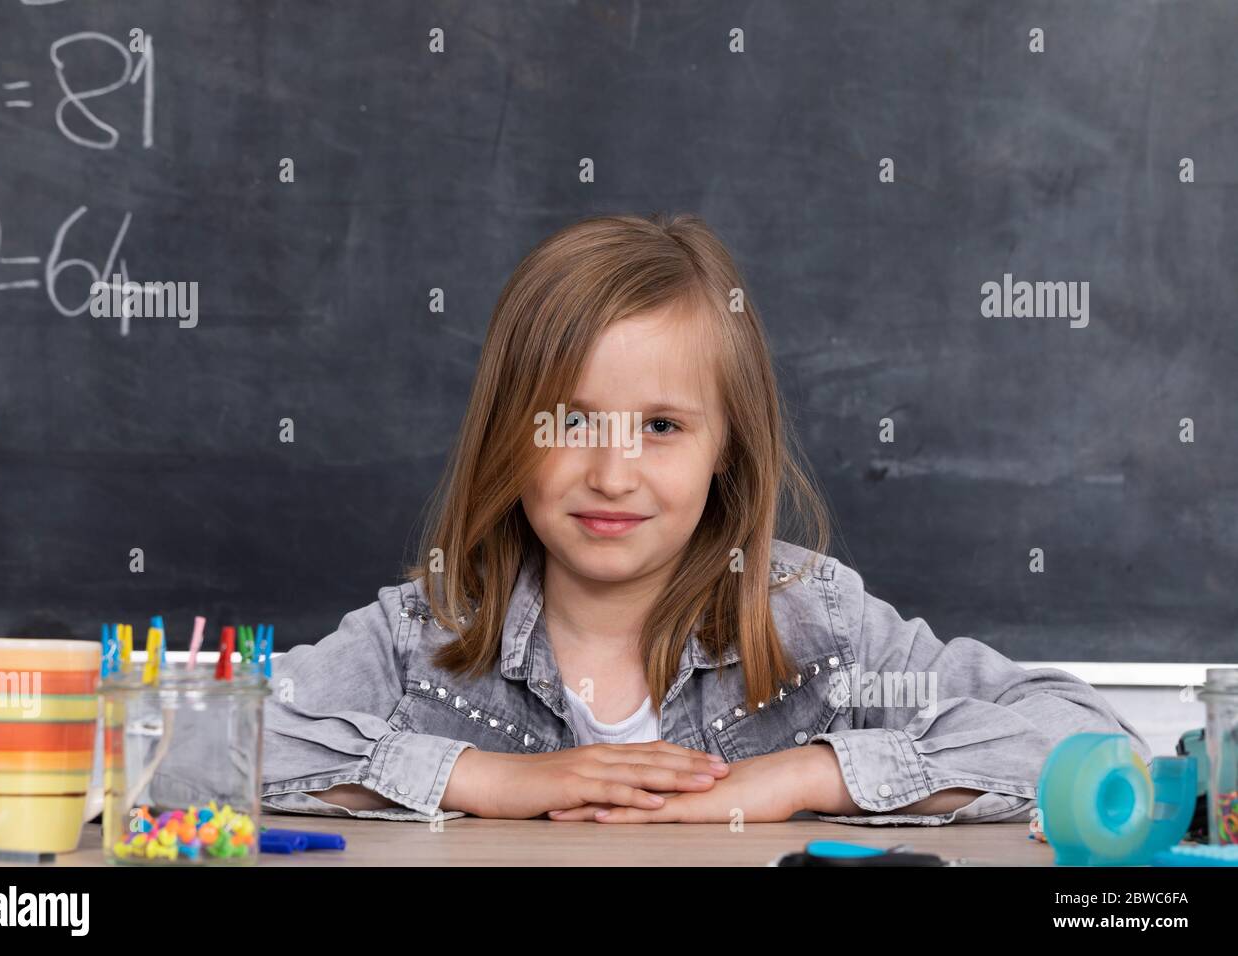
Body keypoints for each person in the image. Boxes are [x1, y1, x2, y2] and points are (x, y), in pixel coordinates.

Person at [259, 212, 1150, 825]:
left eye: (661, 427)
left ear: (726, 445)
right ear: (510, 433)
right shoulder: (428, 633)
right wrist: (487, 778)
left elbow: (1093, 741)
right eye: (572, 423)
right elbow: (183, 746)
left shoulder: (814, 626)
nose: (613, 474)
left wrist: (808, 776)